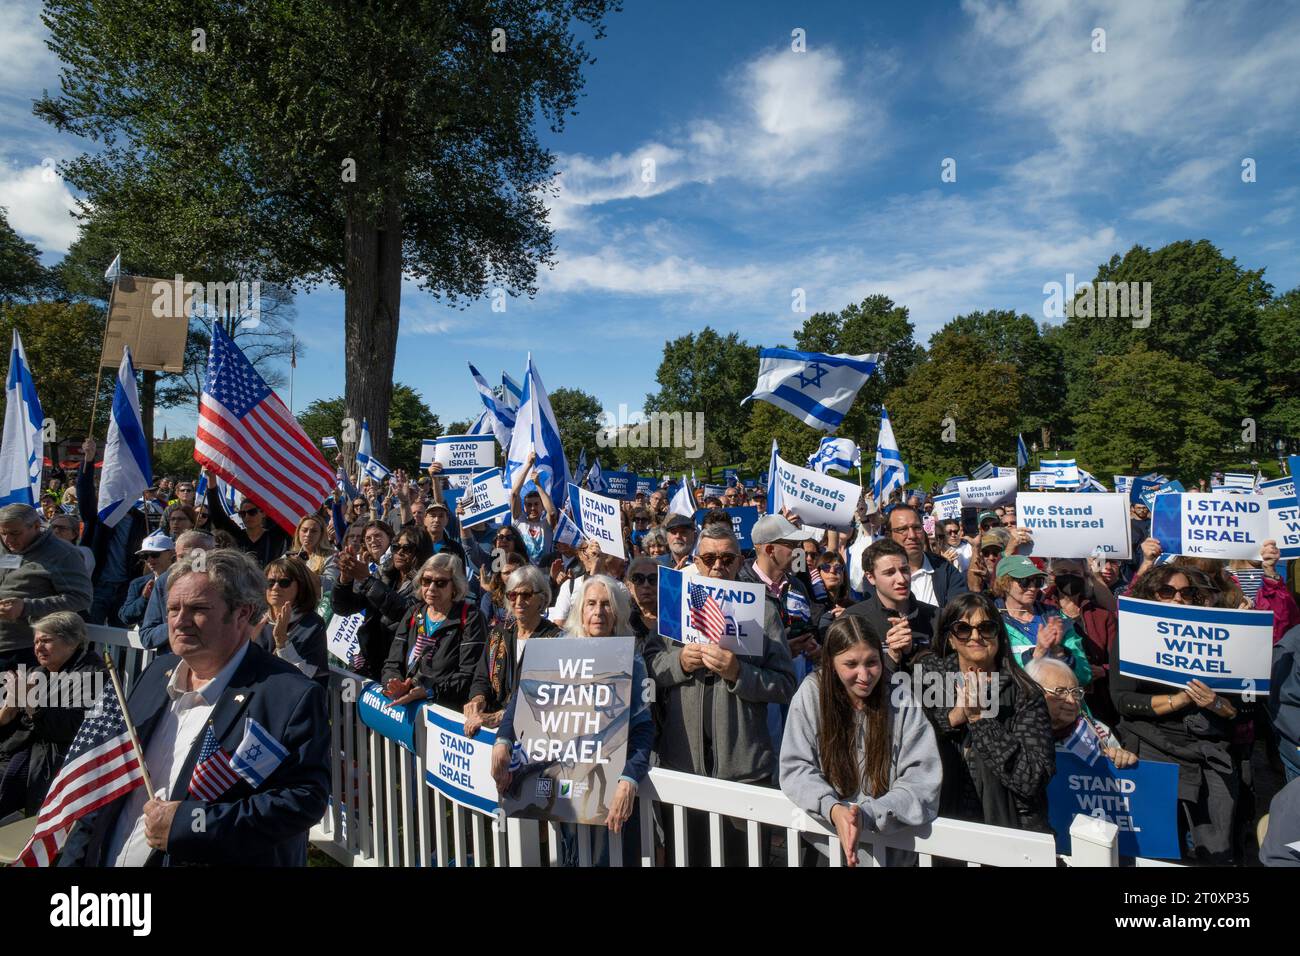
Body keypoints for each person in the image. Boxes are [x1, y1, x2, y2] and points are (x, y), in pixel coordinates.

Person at [58, 548, 331, 866]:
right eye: (173, 608)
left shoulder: (289, 694)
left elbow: (303, 799)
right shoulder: (156, 674)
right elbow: (108, 781)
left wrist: (193, 825)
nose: (180, 621)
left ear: (242, 614)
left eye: (198, 609)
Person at [643, 524, 795, 864]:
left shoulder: (764, 611)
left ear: (740, 561)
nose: (717, 566)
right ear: (696, 561)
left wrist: (739, 673)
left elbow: (785, 684)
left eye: (726, 558)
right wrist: (679, 662)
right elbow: (650, 666)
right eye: (709, 558)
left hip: (744, 772)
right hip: (684, 770)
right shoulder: (674, 603)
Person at [490, 574, 654, 861]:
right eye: (591, 604)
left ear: (618, 611)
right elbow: (522, 700)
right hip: (561, 786)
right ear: (580, 609)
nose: (598, 612)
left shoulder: (631, 660)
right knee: (570, 855)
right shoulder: (556, 649)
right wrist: (503, 739)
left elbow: (642, 727)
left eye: (606, 604)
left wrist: (629, 777)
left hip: (604, 787)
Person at [779, 614, 941, 866]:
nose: (864, 675)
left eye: (872, 662)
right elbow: (796, 768)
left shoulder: (900, 698)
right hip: (827, 847)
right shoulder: (812, 693)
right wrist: (833, 809)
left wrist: (865, 815)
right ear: (831, 663)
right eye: (851, 664)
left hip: (891, 852)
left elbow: (921, 780)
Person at [1112, 563, 1240, 863]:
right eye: (1167, 591)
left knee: (1217, 852)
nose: (1177, 598)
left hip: (1210, 753)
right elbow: (1121, 699)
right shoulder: (1132, 635)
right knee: (1158, 849)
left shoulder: (1217, 638)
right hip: (1152, 749)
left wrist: (1214, 703)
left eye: (1186, 592)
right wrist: (1179, 700)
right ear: (1150, 595)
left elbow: (1239, 710)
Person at [915, 592, 1056, 831]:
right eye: (963, 628)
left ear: (999, 635)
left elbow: (1033, 777)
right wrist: (953, 718)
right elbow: (910, 747)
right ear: (950, 638)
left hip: (1008, 829)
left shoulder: (1025, 693)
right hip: (941, 829)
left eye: (986, 628)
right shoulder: (929, 678)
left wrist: (981, 719)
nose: (975, 636)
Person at [0, 612, 106, 817]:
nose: (38, 647)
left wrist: (32, 706)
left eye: (46, 640)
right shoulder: (38, 671)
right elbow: (11, 719)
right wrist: (8, 712)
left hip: (49, 762)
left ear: (72, 641)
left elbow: (73, 729)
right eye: (36, 641)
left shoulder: (93, 675)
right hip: (17, 753)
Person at [463, 564, 561, 736]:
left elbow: (545, 696)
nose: (518, 601)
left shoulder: (555, 640)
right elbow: (481, 677)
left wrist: (499, 717)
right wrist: (478, 698)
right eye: (513, 595)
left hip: (533, 734)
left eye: (526, 594)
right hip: (491, 730)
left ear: (542, 598)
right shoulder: (498, 634)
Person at [380, 553, 486, 709]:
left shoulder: (471, 617)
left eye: (440, 583)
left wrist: (428, 691)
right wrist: (394, 683)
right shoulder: (414, 613)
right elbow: (392, 662)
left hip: (445, 711)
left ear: (455, 586)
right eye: (426, 580)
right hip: (408, 707)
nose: (431, 588)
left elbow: (469, 674)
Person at [332, 525, 435, 679]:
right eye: (395, 547)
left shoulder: (427, 583)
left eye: (407, 548)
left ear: (420, 551)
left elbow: (405, 611)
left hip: (399, 664)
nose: (399, 552)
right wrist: (344, 580)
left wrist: (367, 580)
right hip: (371, 658)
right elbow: (344, 608)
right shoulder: (385, 575)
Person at [0, 504, 93, 671]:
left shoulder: (63, 553)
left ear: (36, 526)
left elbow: (81, 598)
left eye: (15, 533)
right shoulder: (3, 546)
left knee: (20, 697)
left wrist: (26, 607)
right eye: (3, 533)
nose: (7, 540)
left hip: (26, 649)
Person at [75, 436, 148, 625]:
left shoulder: (140, 519)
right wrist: (88, 461)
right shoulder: (99, 515)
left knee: (121, 643)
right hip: (97, 586)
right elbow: (84, 494)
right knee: (91, 636)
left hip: (125, 589)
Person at [992, 554, 1092, 688]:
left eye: (1037, 581)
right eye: (1024, 582)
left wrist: (1059, 652)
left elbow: (1084, 676)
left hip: (1062, 703)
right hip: (1019, 705)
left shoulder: (1056, 618)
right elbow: (994, 677)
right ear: (1004, 584)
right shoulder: (990, 622)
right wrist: (1037, 654)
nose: (1033, 588)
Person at [1042, 558, 1118, 726]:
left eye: (1075, 573)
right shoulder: (1040, 609)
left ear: (1084, 576)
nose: (1069, 577)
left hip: (1097, 700)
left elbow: (1119, 660)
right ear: (1052, 576)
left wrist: (1104, 670)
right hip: (1054, 701)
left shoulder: (1101, 615)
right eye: (1063, 573)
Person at [1025, 656, 1136, 768]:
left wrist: (1122, 758)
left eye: (1075, 692)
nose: (1072, 700)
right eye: (1060, 692)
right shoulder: (1015, 732)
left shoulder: (1097, 732)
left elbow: (1118, 772)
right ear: (1034, 693)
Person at [846, 539, 938, 672]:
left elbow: (948, 674)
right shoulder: (853, 620)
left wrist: (913, 652)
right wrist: (891, 657)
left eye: (905, 570)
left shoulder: (936, 616)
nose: (901, 579)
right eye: (889, 573)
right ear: (870, 577)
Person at [857, 504, 968, 610]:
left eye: (917, 528)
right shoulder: (876, 575)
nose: (912, 535)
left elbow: (959, 612)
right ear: (888, 535)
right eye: (902, 529)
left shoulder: (945, 569)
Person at [256, 556, 330, 687]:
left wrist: (282, 642)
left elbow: (306, 676)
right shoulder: (255, 619)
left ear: (300, 586)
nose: (275, 587)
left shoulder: (312, 624)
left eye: (284, 582)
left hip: (291, 700)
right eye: (270, 582)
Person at [204, 479, 292, 567]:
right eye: (242, 514)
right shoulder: (237, 535)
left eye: (252, 512)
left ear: (263, 513)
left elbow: (289, 510)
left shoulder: (274, 536)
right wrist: (211, 479)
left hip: (266, 580)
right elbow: (216, 513)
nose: (247, 517)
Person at [508, 453, 556, 567]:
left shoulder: (546, 524)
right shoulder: (519, 521)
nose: (532, 508)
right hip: (523, 573)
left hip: (543, 576)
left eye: (536, 504)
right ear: (524, 507)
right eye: (529, 505)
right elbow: (514, 494)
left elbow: (552, 512)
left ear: (542, 506)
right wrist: (528, 465)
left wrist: (538, 485)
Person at [120, 532, 176, 628]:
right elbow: (125, 617)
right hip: (147, 638)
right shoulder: (137, 584)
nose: (149, 559)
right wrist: (144, 599)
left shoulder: (183, 580)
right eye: (144, 556)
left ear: (171, 553)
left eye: (155, 554)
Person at [286, 513, 338, 596]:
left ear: (321, 534)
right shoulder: (288, 556)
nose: (308, 534)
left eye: (314, 531)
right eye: (304, 530)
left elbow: (330, 585)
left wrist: (303, 568)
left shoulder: (332, 556)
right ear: (298, 532)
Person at [46, 512, 95, 577]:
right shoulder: (41, 550)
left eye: (62, 528)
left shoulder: (83, 552)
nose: (56, 531)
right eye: (53, 527)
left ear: (74, 534)